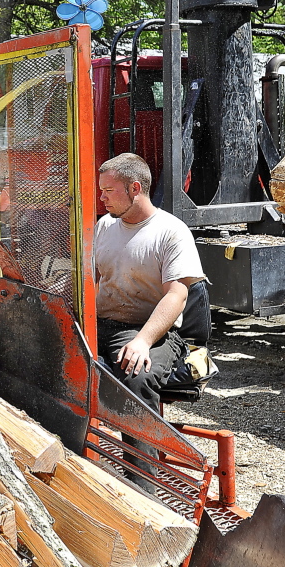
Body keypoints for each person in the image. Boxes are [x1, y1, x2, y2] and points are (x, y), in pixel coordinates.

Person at [94, 152, 206, 414]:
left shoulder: (171, 232)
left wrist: (143, 341)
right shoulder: (104, 227)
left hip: (148, 330)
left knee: (137, 379)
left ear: (135, 188)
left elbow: (176, 297)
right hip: (100, 324)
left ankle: (141, 456)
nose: (102, 197)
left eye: (109, 190)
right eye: (101, 190)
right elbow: (93, 279)